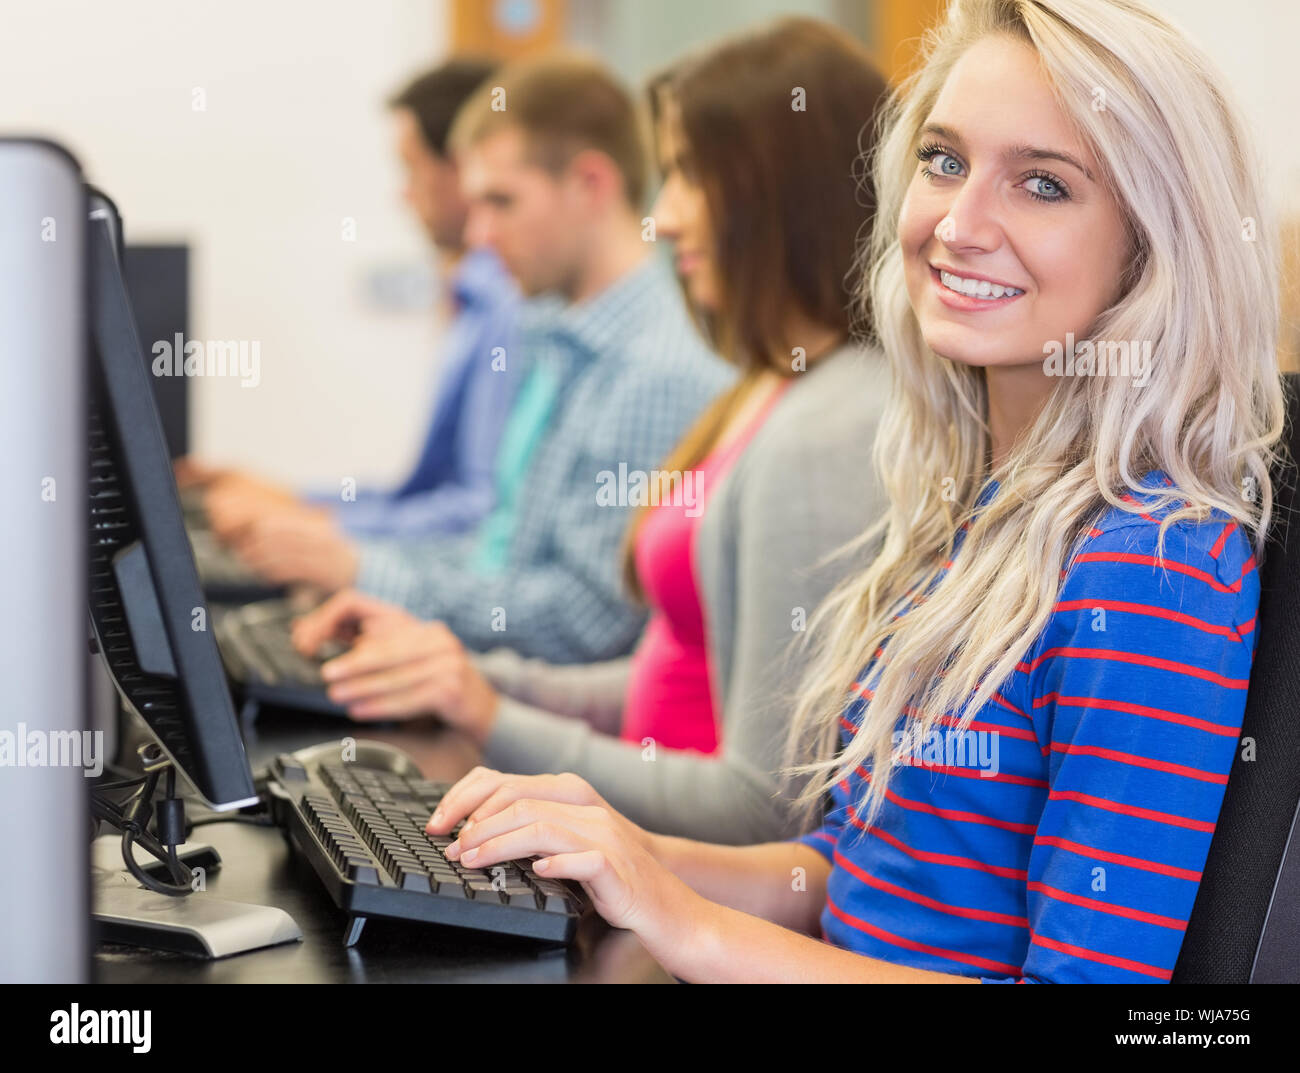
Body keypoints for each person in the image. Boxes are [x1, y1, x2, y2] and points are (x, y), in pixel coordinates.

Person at [409, 0, 1286, 983]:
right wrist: (623, 851)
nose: (957, 223)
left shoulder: (1151, 565)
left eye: (1042, 184)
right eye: (944, 161)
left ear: (1152, 245)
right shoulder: (972, 510)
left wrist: (688, 927)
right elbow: (846, 875)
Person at [290, 18, 892, 845]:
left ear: (777, 193)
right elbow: (665, 678)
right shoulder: (769, 386)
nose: (667, 217)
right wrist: (470, 679)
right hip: (652, 847)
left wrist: (495, 715)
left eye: (689, 176)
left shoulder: (826, 427)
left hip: (679, 883)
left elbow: (763, 807)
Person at [290, 55, 733, 664]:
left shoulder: (656, 370)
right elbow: (496, 552)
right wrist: (361, 570)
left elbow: (586, 621)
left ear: (590, 185)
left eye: (502, 201)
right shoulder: (549, 332)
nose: (479, 234)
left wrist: (366, 571)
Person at [180, 60, 523, 587]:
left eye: (411, 170)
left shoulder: (508, 305)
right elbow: (424, 497)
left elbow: (472, 514)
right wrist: (293, 503)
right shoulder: (477, 299)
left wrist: (312, 524)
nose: (403, 196)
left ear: (461, 166)